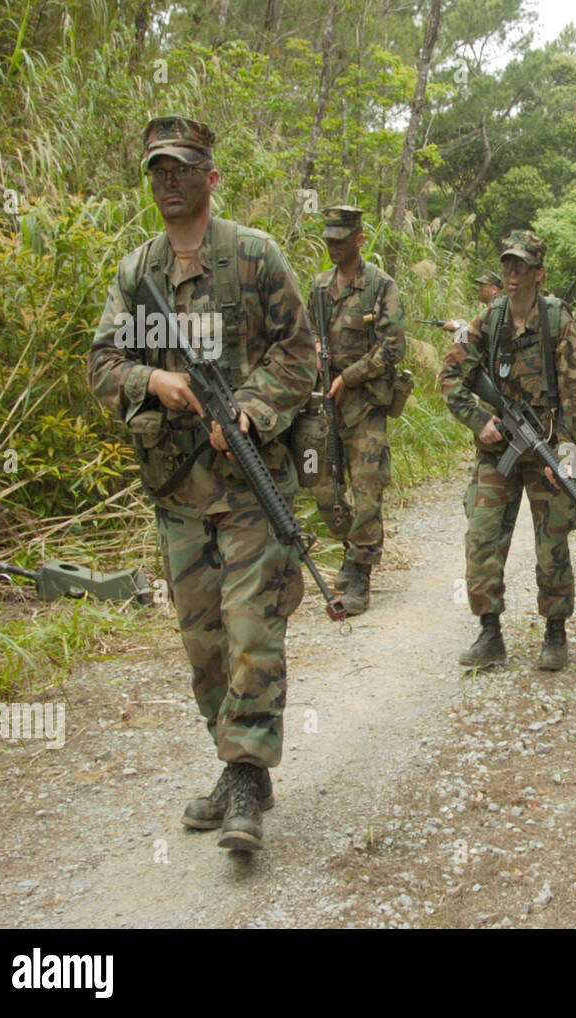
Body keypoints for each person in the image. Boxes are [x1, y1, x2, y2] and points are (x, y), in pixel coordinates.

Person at [88, 116, 315, 851]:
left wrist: (247, 410)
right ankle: (235, 763)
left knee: (253, 630)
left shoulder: (254, 257)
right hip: (178, 491)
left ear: (212, 176)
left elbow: (299, 354)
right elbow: (102, 364)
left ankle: (247, 777)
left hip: (250, 488)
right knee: (203, 643)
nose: (170, 181)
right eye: (158, 170)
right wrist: (152, 379)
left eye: (183, 168)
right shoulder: (138, 271)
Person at [439, 229, 576, 671]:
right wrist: (479, 420)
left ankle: (555, 632)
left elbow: (575, 396)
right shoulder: (487, 320)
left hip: (544, 450)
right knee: (482, 535)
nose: (512, 273)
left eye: (521, 266)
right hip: (499, 449)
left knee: (552, 542)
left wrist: (565, 453)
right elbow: (450, 379)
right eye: (507, 265)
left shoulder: (558, 321)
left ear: (539, 273)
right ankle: (489, 633)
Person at [306, 205, 406, 616]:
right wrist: (313, 355)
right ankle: (351, 549)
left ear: (359, 240)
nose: (333, 248)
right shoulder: (318, 287)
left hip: (365, 406)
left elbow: (393, 347)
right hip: (326, 405)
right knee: (321, 486)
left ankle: (362, 570)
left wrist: (348, 377)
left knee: (367, 489)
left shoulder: (380, 286)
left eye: (340, 241)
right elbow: (309, 330)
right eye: (328, 241)